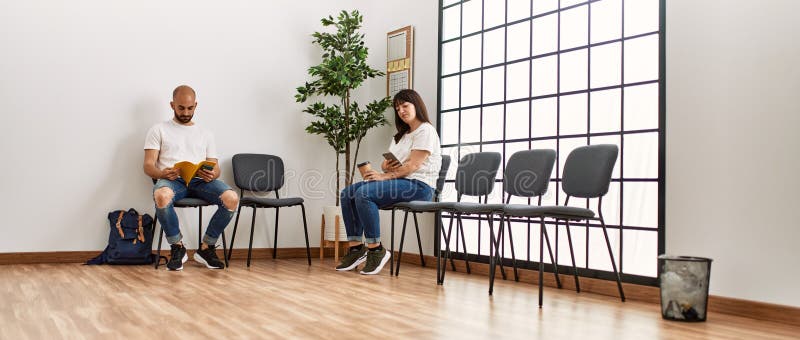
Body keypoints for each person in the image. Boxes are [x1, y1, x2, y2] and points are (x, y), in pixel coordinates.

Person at [336, 89, 442, 275]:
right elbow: (389, 166)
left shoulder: (426, 130)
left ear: (416, 105)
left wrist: (384, 176)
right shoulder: (400, 136)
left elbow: (413, 165)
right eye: (398, 108)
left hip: (420, 186)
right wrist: (385, 166)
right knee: (348, 193)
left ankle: (376, 250)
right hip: (400, 182)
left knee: (364, 193)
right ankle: (356, 248)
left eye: (405, 106)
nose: (401, 111)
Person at [143, 85, 239, 270]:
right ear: (172, 105)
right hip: (172, 179)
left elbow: (216, 168)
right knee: (161, 195)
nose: (186, 113)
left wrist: (212, 174)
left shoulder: (206, 133)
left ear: (195, 105)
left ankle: (206, 247)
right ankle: (177, 247)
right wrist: (162, 173)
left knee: (231, 198)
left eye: (190, 108)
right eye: (181, 108)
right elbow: (148, 165)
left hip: (200, 181)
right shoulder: (158, 130)